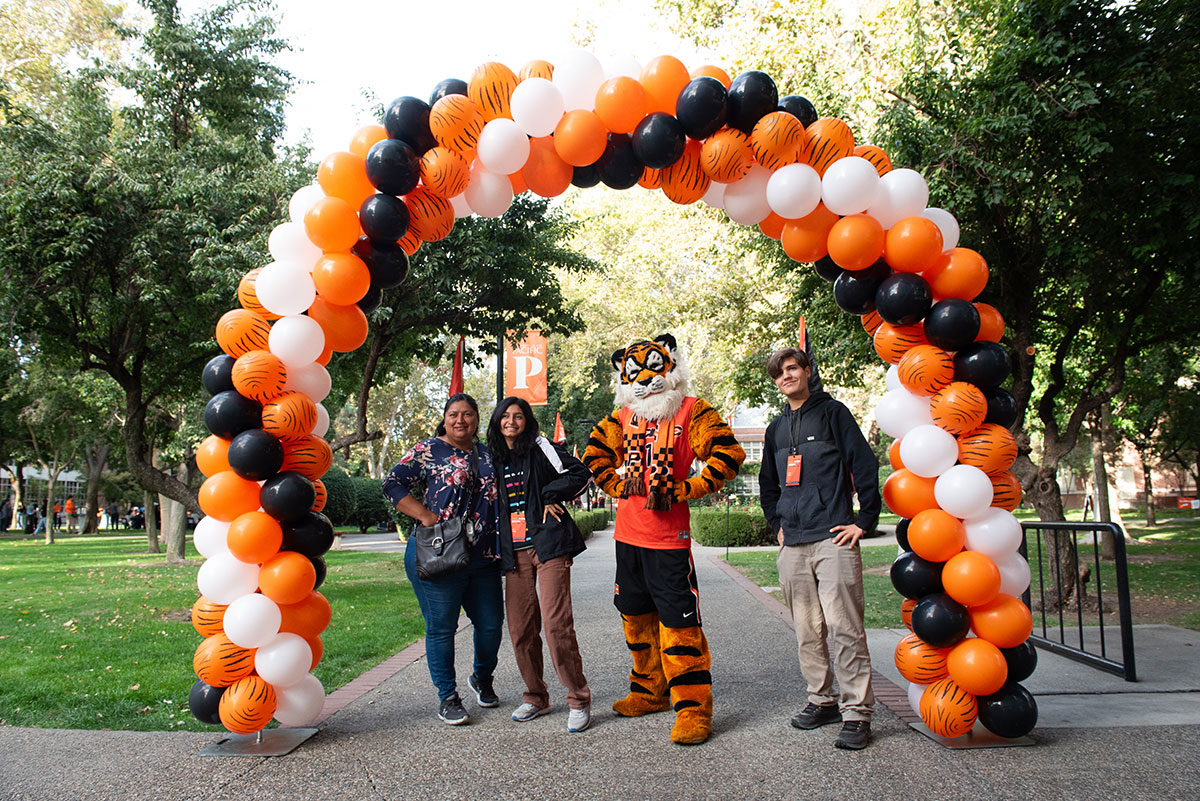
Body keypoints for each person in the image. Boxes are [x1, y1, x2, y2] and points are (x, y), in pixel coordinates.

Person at [583, 334, 745, 745]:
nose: (647, 379)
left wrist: (690, 487)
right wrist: (614, 486)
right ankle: (648, 690)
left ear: (671, 367)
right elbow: (593, 456)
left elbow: (730, 454)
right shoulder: (622, 416)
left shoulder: (692, 410)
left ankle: (692, 709)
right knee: (634, 618)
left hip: (669, 541)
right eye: (635, 372)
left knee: (679, 625)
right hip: (628, 539)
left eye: (655, 367)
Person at [758, 347, 881, 751]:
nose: (786, 377)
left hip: (833, 539)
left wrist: (863, 521)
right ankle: (822, 700)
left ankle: (857, 713)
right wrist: (777, 524)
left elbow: (863, 464)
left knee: (845, 627)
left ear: (807, 372)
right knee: (808, 630)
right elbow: (768, 484)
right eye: (780, 373)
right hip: (793, 543)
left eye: (793, 369)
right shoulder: (776, 428)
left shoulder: (834, 413)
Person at [382, 393, 504, 726]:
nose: (460, 420)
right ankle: (447, 697)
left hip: (483, 555)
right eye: (454, 414)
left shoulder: (489, 451)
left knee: (491, 624)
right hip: (439, 552)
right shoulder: (428, 450)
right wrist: (423, 515)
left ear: (477, 419)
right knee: (441, 628)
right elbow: (392, 483)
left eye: (467, 414)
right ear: (445, 418)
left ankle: (482, 678)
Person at [486, 396, 594, 733]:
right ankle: (535, 696)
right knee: (520, 629)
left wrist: (551, 495)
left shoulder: (539, 445)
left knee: (556, 624)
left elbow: (580, 471)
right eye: (505, 416)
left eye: (518, 416)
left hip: (548, 544)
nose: (511, 422)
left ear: (526, 420)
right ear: (496, 420)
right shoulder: (489, 456)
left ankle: (578, 698)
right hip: (512, 552)